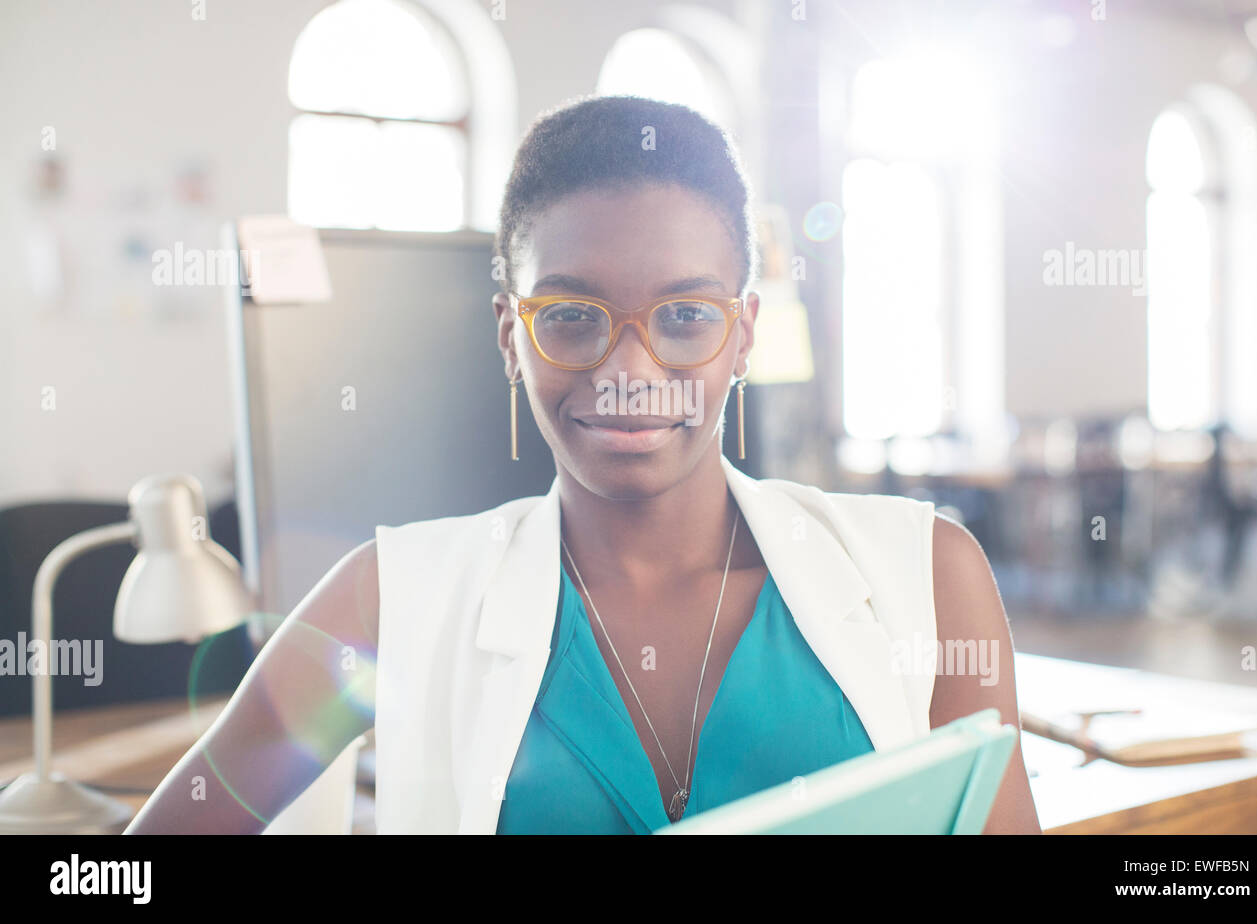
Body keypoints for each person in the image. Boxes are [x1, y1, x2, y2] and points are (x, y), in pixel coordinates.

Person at [126, 94, 1040, 834]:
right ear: (509, 339)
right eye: (570, 315)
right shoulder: (388, 601)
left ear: (743, 336)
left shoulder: (924, 573)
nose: (629, 373)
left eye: (685, 317)